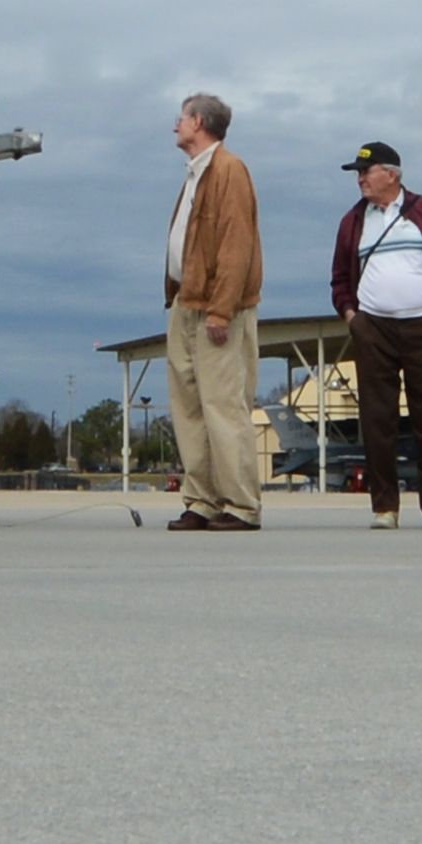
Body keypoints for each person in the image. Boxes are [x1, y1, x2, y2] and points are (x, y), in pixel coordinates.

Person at [329, 141, 422, 529]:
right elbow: (340, 277)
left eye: (366, 172)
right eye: (357, 173)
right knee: (377, 419)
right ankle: (384, 507)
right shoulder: (353, 221)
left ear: (391, 174)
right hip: (374, 328)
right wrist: (351, 315)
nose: (360, 179)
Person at [161, 92, 266, 532]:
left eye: (180, 119)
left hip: (215, 308)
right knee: (189, 407)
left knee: (223, 405)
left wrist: (221, 310)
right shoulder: (195, 174)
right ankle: (201, 500)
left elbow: (236, 244)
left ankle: (240, 504)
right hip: (186, 303)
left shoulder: (228, 170)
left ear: (198, 122)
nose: (175, 126)